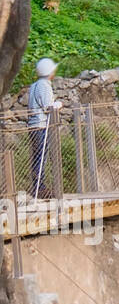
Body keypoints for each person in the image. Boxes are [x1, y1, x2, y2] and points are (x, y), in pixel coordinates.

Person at [25, 58, 63, 199]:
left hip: (33, 126)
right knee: (41, 158)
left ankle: (37, 186)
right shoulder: (45, 85)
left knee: (36, 157)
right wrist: (58, 104)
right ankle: (39, 188)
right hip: (41, 126)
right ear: (49, 72)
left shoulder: (34, 85)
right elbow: (48, 107)